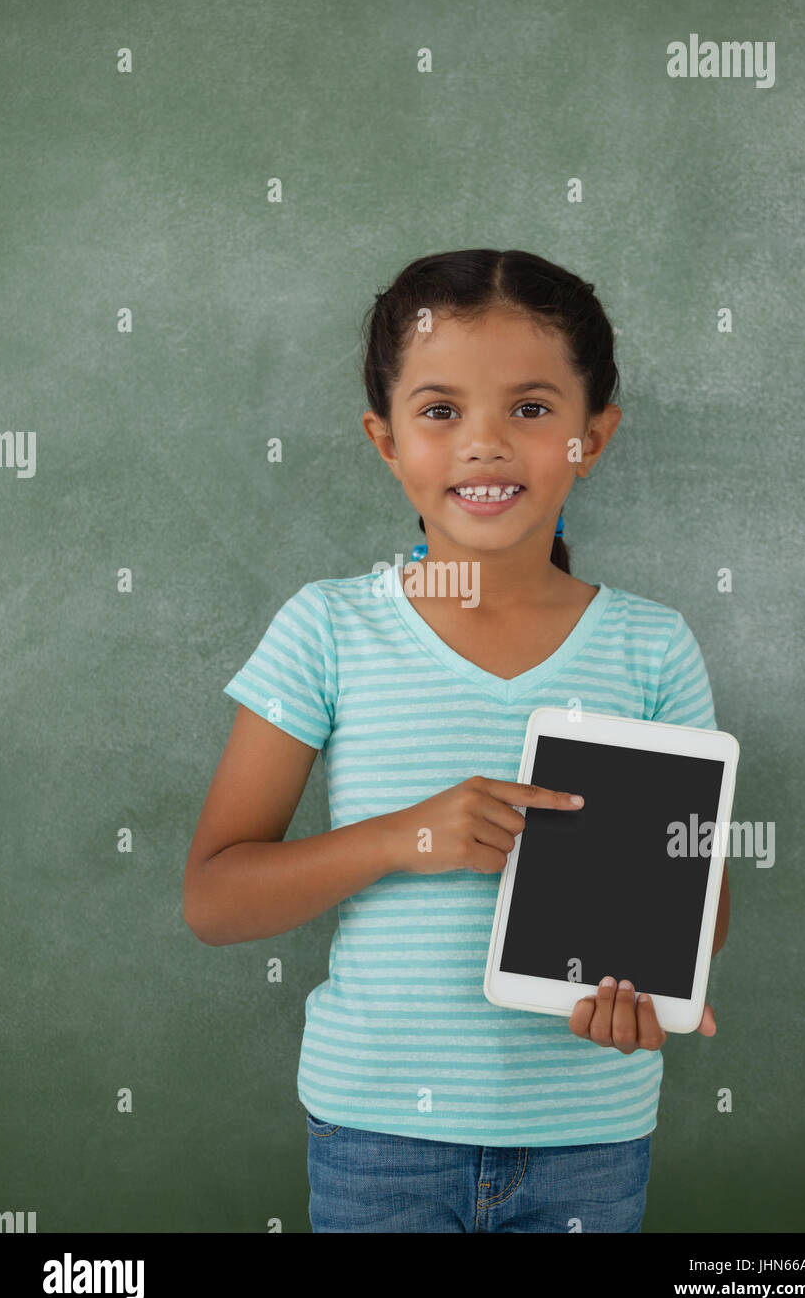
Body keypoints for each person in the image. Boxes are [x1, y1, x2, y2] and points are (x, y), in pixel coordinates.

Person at [183, 248, 729, 1233]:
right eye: (439, 411)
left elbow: (701, 908)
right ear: (385, 442)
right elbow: (215, 897)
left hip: (586, 1137)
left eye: (529, 409)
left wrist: (647, 980)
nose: (483, 445)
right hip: (374, 1136)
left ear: (590, 438)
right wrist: (406, 837)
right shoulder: (328, 629)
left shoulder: (650, 646)